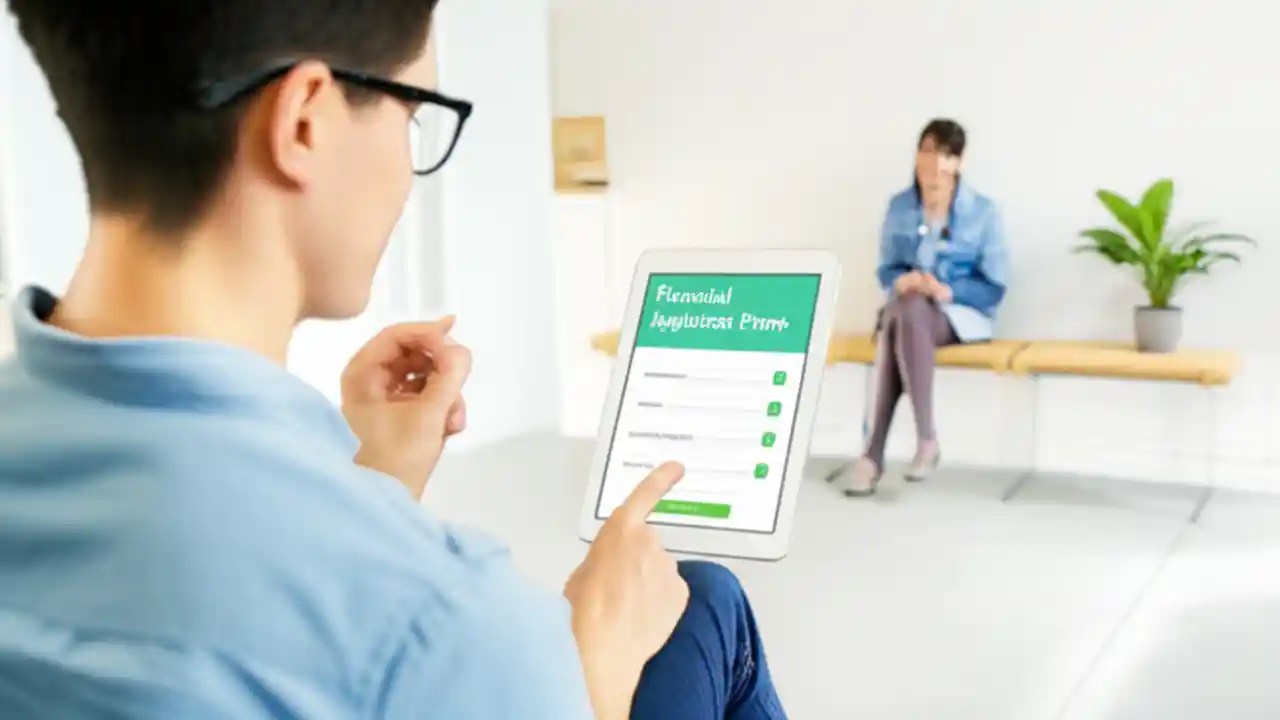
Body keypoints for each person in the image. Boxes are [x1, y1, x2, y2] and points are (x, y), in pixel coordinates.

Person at [0, 3, 787, 719]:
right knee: (704, 598)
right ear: (305, 122)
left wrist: (370, 485)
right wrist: (594, 672)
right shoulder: (443, 623)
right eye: (412, 117)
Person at [831, 119, 1009, 497]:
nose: (935, 161)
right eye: (927, 150)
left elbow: (993, 288)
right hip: (907, 314)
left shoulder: (984, 212)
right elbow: (887, 269)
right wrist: (904, 281)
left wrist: (947, 290)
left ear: (958, 162)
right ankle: (924, 441)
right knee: (905, 311)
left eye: (945, 154)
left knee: (900, 319)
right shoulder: (900, 207)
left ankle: (874, 454)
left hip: (960, 316)